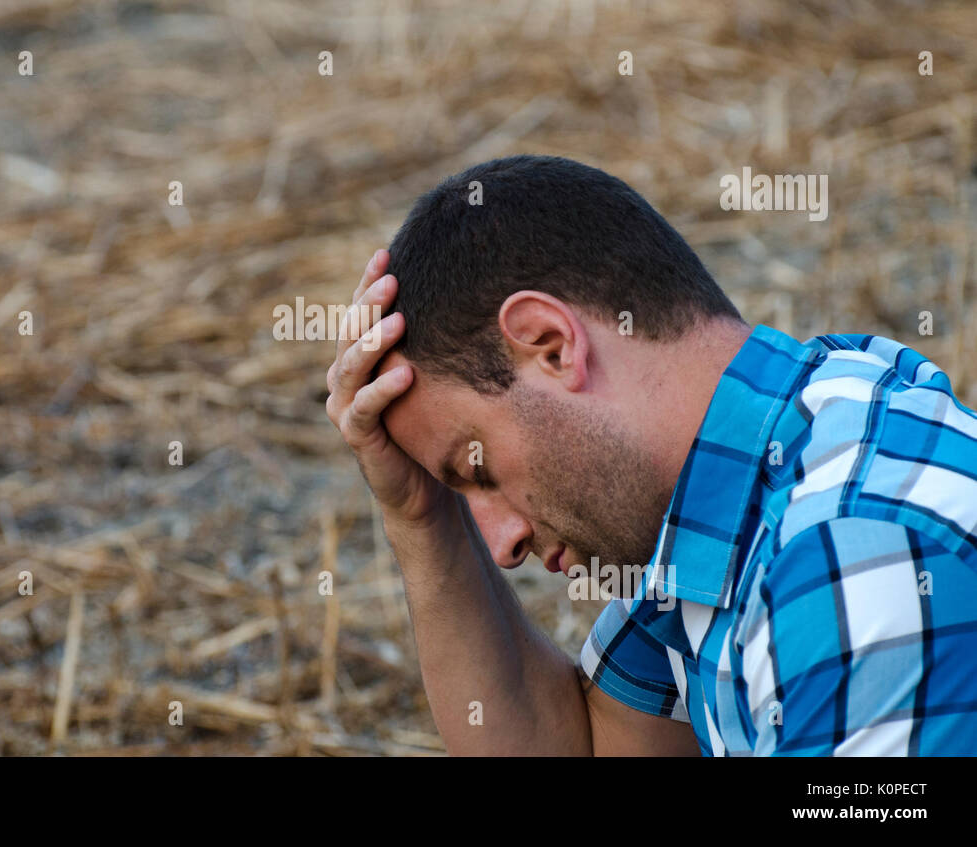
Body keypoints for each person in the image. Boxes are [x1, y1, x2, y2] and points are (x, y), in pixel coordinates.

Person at [324, 154, 977, 755]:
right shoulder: (728, 508)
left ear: (551, 346)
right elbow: (575, 748)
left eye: (478, 469)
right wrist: (422, 517)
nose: (503, 544)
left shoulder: (856, 560)